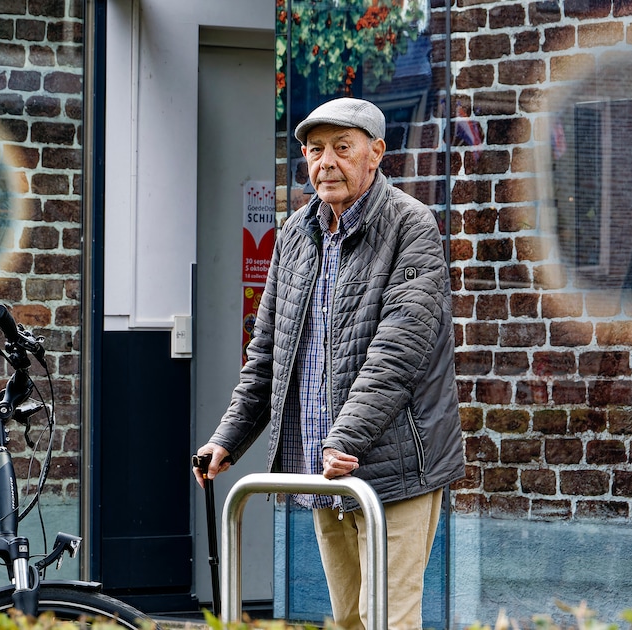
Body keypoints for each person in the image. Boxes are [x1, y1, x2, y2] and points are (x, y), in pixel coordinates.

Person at [192, 97, 464, 630]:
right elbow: (269, 349)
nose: (326, 163)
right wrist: (228, 437)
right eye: (315, 151)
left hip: (394, 467)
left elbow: (398, 352)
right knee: (347, 620)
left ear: (375, 155)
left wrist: (348, 439)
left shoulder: (411, 226)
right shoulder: (296, 233)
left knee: (388, 617)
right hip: (324, 467)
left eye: (342, 148)